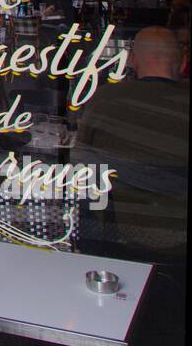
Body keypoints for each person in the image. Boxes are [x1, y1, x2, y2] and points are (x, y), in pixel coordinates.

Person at [73, 27, 188, 257]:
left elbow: (82, 165)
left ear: (133, 60)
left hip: (120, 235)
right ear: (183, 62)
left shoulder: (104, 99)